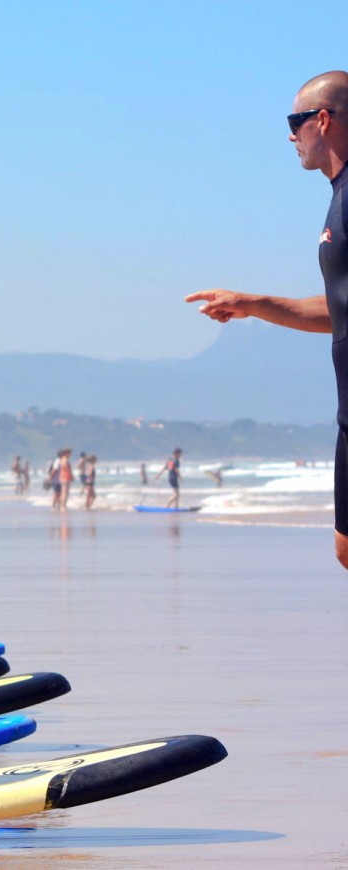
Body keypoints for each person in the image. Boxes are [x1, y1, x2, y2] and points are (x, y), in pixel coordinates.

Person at [186, 70, 348, 566]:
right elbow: (338, 309)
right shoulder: (338, 198)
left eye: (294, 121)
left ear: (322, 121)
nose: (289, 135)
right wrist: (253, 304)